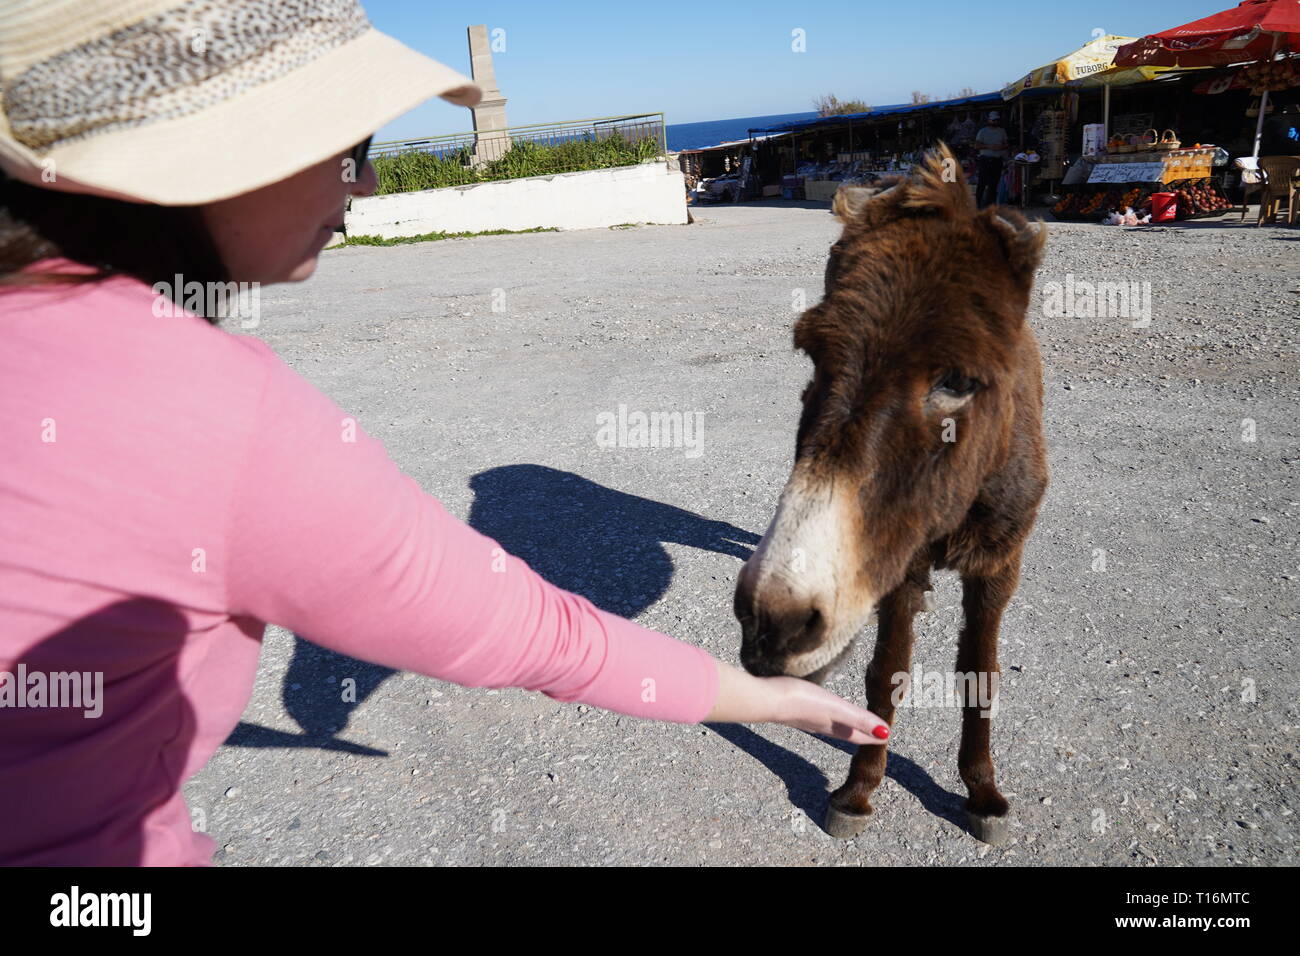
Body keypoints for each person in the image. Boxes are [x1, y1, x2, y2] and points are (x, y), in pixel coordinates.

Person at [0, 0, 888, 866]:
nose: (370, 183)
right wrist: (769, 701)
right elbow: (535, 634)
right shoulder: (221, 420)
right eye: (351, 148)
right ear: (214, 156)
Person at [974, 110, 1010, 208]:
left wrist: (1001, 147)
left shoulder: (1002, 131)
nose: (995, 122)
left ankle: (989, 206)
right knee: (982, 183)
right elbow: (976, 145)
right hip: (985, 160)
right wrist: (989, 146)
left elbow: (1006, 144)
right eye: (993, 120)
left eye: (996, 120)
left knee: (993, 184)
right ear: (989, 120)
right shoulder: (983, 131)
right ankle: (978, 205)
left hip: (997, 160)